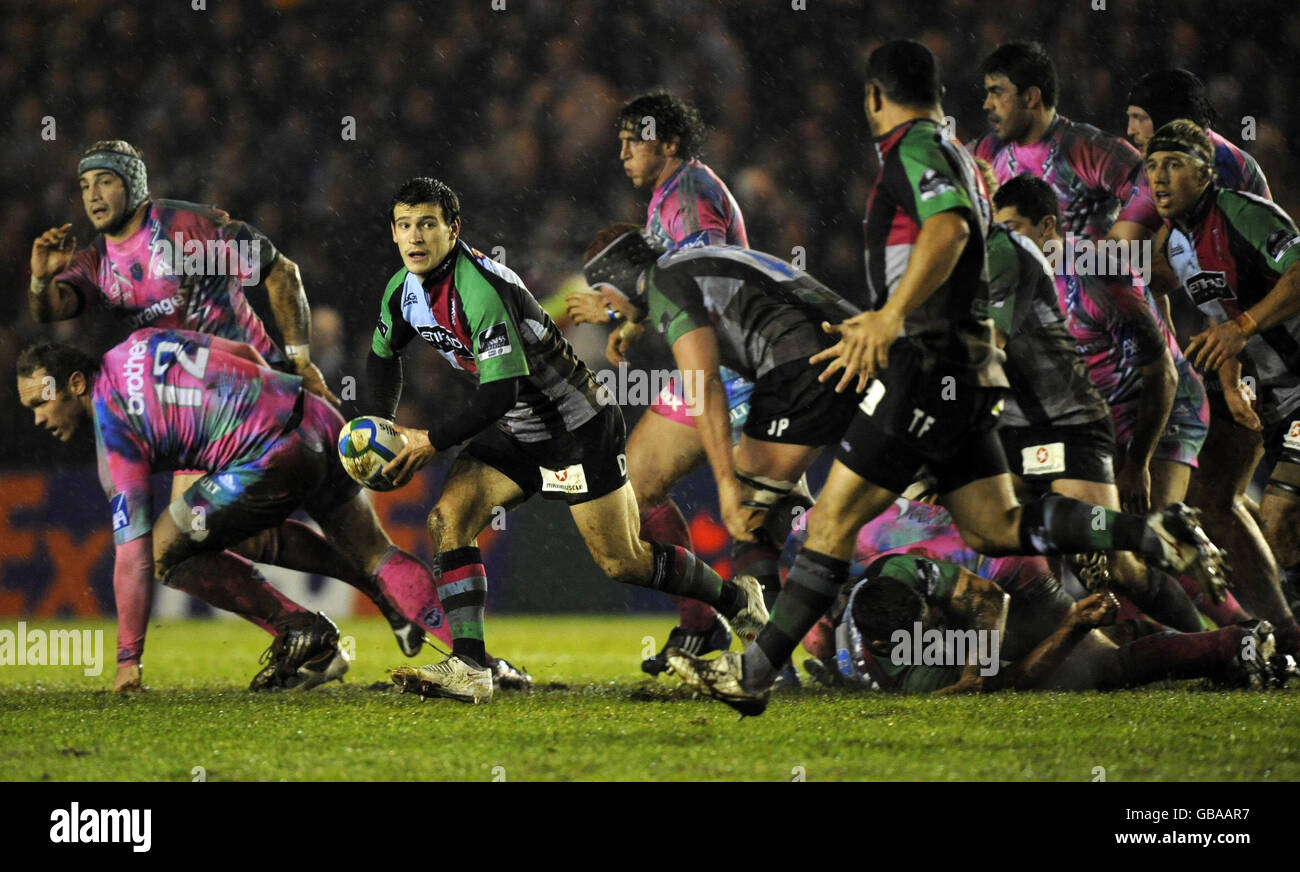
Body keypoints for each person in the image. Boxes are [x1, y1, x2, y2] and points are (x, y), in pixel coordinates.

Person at [666, 40, 1228, 717]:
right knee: (995, 525)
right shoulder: (961, 150)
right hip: (962, 374)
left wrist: (892, 319)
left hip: (924, 367)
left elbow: (953, 229)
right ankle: (1147, 532)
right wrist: (883, 317)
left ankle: (753, 674)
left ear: (877, 96)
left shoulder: (915, 146)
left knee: (830, 525)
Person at [24, 140, 441, 656]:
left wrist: (300, 360)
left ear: (134, 183)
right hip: (200, 423)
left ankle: (312, 631)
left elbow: (280, 271)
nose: (93, 194)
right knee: (237, 538)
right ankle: (388, 613)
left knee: (175, 550)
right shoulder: (95, 263)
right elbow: (51, 309)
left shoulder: (185, 230)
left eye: (105, 180)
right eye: (85, 185)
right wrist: (42, 278)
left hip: (256, 398)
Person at [364, 178, 767, 704]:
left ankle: (736, 597)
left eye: (427, 224)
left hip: (575, 428)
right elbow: (381, 356)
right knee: (449, 519)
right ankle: (469, 665)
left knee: (624, 562)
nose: (415, 237)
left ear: (452, 230)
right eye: (404, 225)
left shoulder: (481, 289)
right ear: (394, 233)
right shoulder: (403, 291)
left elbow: (500, 393)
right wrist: (376, 425)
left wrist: (430, 442)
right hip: (517, 429)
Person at [16, 329, 455, 693]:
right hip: (314, 416)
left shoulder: (114, 430)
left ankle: (300, 628)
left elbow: (135, 558)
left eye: (40, 403)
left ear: (76, 383)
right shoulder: (141, 342)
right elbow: (244, 353)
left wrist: (128, 660)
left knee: (166, 550)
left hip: (268, 456)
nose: (37, 419)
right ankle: (474, 658)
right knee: (374, 554)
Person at [565, 92, 758, 674]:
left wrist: (620, 308)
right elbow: (676, 282)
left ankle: (728, 631)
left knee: (644, 485)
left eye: (635, 139)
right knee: (652, 486)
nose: (622, 151)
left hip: (729, 368)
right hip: (724, 362)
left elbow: (706, 281)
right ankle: (723, 631)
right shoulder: (669, 197)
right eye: (619, 140)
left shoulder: (691, 198)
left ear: (669, 143)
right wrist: (634, 318)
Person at [581, 227, 863, 595]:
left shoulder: (664, 281)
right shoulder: (687, 264)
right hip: (855, 346)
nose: (607, 306)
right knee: (773, 509)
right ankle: (833, 607)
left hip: (805, 367)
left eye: (604, 293)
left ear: (619, 276)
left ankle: (799, 624)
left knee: (748, 510)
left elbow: (704, 383)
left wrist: (725, 483)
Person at [1146, 119, 1300, 654]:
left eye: (1173, 165)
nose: (1159, 178)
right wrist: (1232, 379)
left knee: (1281, 513)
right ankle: (1283, 633)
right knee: (1211, 498)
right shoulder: (1177, 243)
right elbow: (1221, 317)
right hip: (1274, 399)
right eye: (1151, 166)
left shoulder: (1243, 213)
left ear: (1205, 172)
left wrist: (1243, 330)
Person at [827, 552, 1284, 694]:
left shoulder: (893, 576)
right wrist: (1071, 630)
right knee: (1101, 648)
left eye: (927, 610)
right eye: (924, 630)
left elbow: (988, 597)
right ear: (891, 644)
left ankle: (1235, 643)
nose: (932, 619)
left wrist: (975, 670)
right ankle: (1242, 652)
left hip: (1016, 582)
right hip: (1011, 570)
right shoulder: (916, 675)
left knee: (1104, 668)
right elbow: (1019, 674)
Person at [971, 42, 1161, 248]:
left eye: (997, 92)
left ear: (1031, 97)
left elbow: (1155, 195)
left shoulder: (1089, 149)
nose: (987, 104)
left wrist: (1112, 253)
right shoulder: (986, 151)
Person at [1125, 69, 1270, 199]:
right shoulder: (1151, 163)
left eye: (1140, 118)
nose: (1130, 130)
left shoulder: (1225, 168)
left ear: (1167, 119)